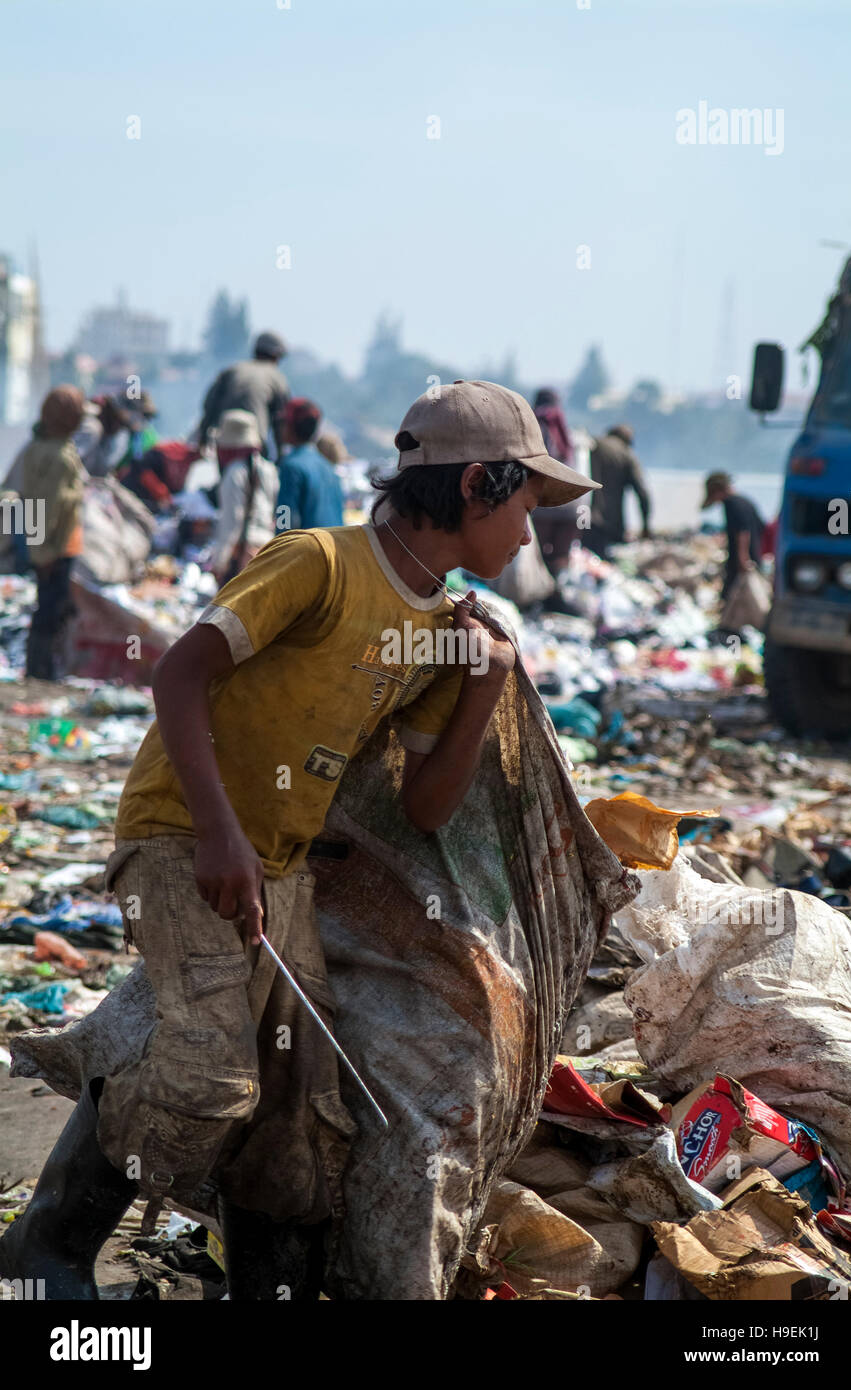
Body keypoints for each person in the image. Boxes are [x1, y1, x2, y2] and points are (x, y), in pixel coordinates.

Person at [0, 379, 597, 1301]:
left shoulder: (448, 631)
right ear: (478, 484)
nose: (528, 533)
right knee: (205, 1076)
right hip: (181, 837)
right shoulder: (318, 563)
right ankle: (45, 1251)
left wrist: (484, 685)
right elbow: (179, 674)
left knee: (298, 1119)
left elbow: (429, 808)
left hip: (278, 869)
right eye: (523, 504)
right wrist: (219, 837)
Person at [3, 386, 87, 679]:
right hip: (55, 547)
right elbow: (44, 506)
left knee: (50, 607)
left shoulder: (42, 447)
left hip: (53, 544)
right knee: (50, 610)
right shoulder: (57, 456)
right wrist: (43, 554)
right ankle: (40, 670)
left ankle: (42, 667)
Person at [209, 409, 279, 585]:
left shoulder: (234, 473)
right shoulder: (269, 469)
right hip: (266, 549)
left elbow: (232, 521)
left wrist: (220, 562)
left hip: (243, 554)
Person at [198, 331, 290, 457]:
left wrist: (203, 439)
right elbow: (281, 421)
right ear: (276, 356)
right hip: (254, 443)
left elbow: (209, 406)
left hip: (223, 441)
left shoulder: (232, 370)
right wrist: (281, 455)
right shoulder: (277, 378)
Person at [528, 387, 579, 580]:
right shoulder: (566, 431)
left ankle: (541, 595)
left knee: (537, 555)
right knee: (560, 558)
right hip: (572, 506)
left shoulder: (534, 427)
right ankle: (556, 593)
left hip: (544, 504)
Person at [275, 397, 345, 532]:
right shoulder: (328, 467)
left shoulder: (291, 466)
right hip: (335, 548)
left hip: (309, 550)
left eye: (283, 422)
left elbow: (285, 521)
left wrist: (278, 549)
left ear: (290, 426)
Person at [584, 424, 652, 559]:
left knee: (581, 559)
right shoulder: (626, 454)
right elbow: (642, 493)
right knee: (602, 562)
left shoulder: (591, 445)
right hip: (607, 522)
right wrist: (645, 527)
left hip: (582, 515)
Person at [701, 471, 765, 598]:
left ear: (717, 490)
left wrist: (743, 559)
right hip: (754, 559)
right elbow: (760, 527)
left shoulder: (731, 504)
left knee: (732, 597)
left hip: (740, 564)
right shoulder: (744, 501)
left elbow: (743, 531)